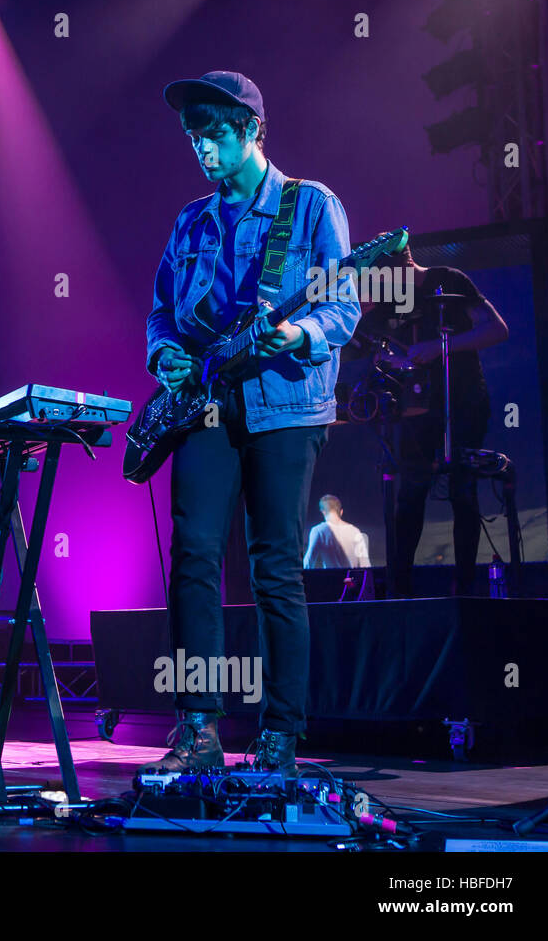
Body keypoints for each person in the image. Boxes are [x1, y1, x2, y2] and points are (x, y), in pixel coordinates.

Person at [141, 72, 360, 775]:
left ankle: (279, 736)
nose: (201, 149)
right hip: (206, 401)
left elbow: (343, 308)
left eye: (214, 134)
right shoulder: (189, 221)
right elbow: (161, 313)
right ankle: (199, 727)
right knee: (195, 557)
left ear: (251, 130)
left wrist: (297, 334)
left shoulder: (310, 206)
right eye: (193, 136)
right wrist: (165, 353)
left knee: (274, 568)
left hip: (285, 405)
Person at [357, 239, 508, 596]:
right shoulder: (389, 298)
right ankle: (401, 590)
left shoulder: (450, 279)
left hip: (464, 399)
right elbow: (364, 339)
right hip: (416, 406)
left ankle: (465, 589)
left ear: (405, 265)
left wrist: (439, 348)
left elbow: (498, 329)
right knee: (410, 493)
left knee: (463, 491)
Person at [304, 494, 370, 569]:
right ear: (341, 512)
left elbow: (308, 563)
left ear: (323, 512)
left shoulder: (319, 531)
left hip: (330, 579)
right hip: (351, 580)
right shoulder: (356, 531)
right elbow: (365, 564)